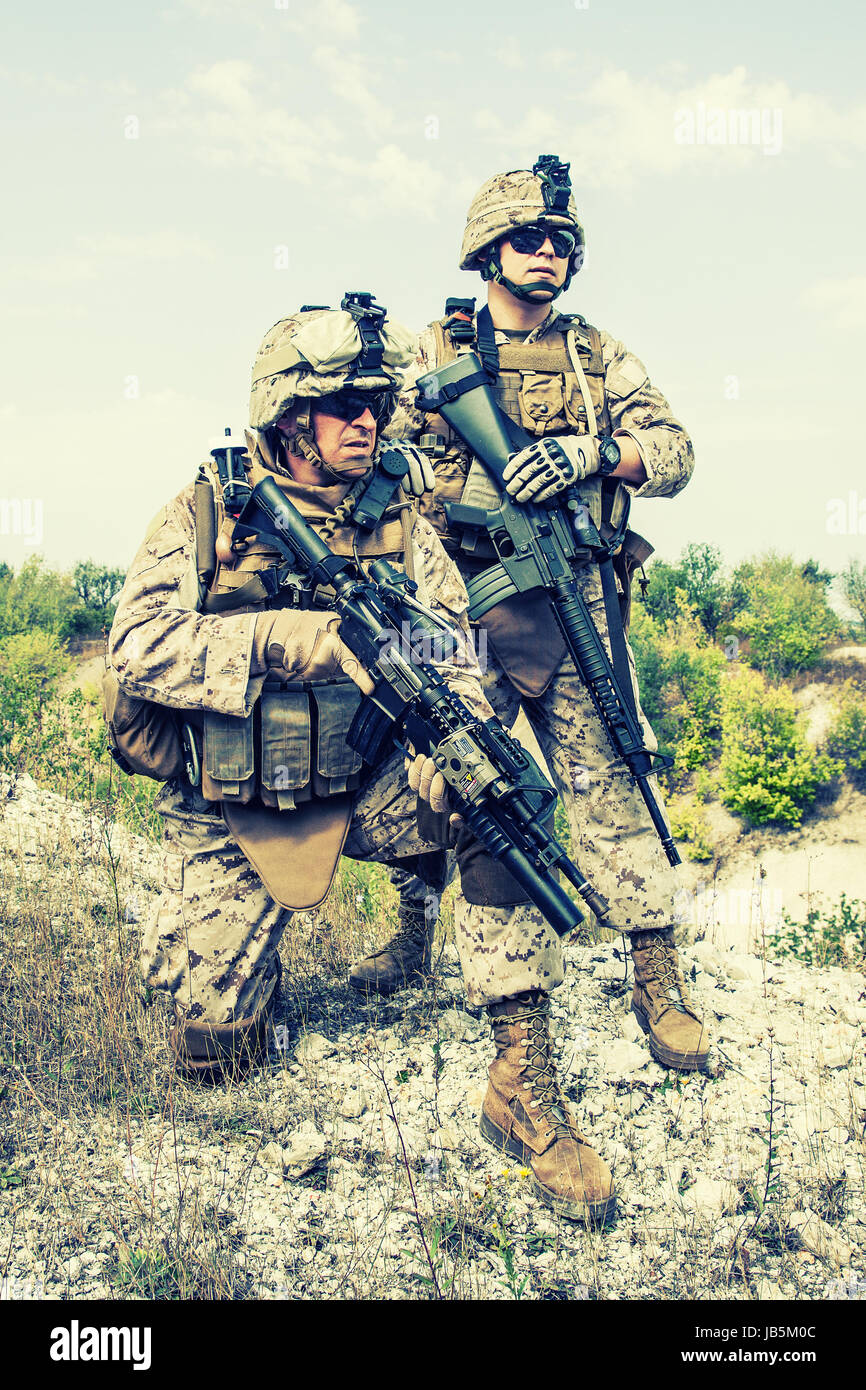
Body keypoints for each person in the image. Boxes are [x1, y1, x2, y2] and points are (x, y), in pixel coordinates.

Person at [107, 294, 617, 1225]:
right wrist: (286, 638)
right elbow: (137, 647)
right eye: (346, 407)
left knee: (494, 803)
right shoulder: (205, 513)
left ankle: (519, 1077)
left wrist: (453, 739)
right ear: (289, 420)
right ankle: (209, 953)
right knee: (214, 1055)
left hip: (367, 781)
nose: (370, 422)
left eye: (377, 405)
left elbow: (453, 646)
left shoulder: (399, 517)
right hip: (235, 803)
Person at [350, 156, 710, 1078]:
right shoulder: (425, 355)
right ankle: (415, 932)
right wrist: (440, 482)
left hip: (570, 598)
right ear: (486, 251)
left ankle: (655, 975)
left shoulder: (596, 357)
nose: (545, 253)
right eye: (526, 238)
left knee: (616, 776)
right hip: (442, 605)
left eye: (560, 242)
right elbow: (355, 455)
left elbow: (675, 452)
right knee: (455, 773)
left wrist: (597, 453)